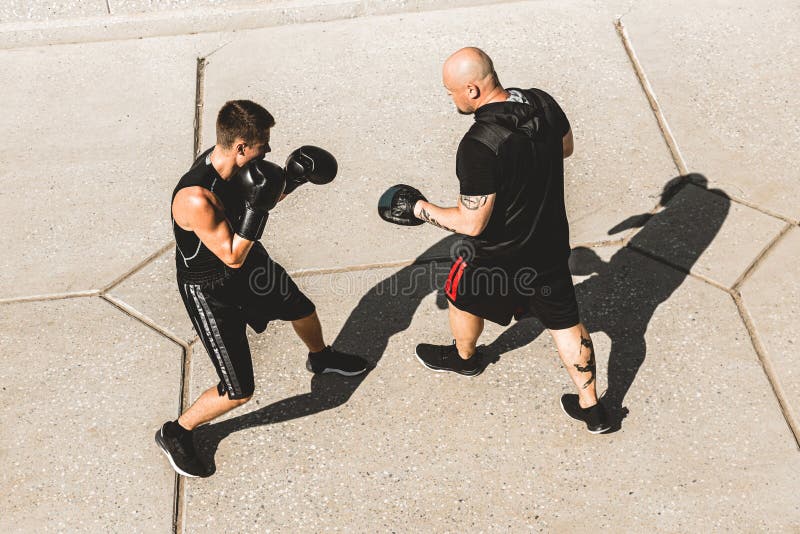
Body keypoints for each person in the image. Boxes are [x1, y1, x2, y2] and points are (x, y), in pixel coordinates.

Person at [378, 47, 609, 434]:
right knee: (567, 324)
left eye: (450, 91)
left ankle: (465, 358)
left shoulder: (479, 144)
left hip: (498, 255)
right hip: (549, 245)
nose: (450, 98)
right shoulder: (542, 102)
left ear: (471, 90)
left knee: (459, 294)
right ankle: (593, 409)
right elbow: (564, 148)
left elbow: (471, 222)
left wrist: (418, 208)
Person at [156, 100, 370, 477]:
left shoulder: (234, 164)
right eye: (262, 146)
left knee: (302, 309)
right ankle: (177, 432)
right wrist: (261, 208)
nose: (268, 150)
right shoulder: (195, 198)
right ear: (240, 146)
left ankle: (320, 356)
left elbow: (260, 196)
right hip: (210, 289)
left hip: (251, 267)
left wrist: (296, 178)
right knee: (239, 389)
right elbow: (233, 254)